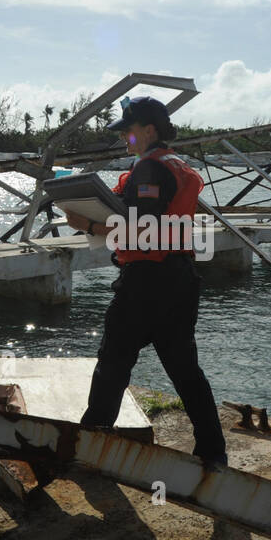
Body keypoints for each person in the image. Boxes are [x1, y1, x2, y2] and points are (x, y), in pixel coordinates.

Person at [66, 95, 228, 467]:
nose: (125, 138)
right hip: (181, 279)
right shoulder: (175, 166)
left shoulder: (149, 170)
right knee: (186, 370)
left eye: (129, 131)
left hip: (146, 283)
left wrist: (87, 225)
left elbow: (142, 231)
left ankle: (91, 445)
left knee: (113, 363)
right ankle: (213, 453)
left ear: (150, 130)